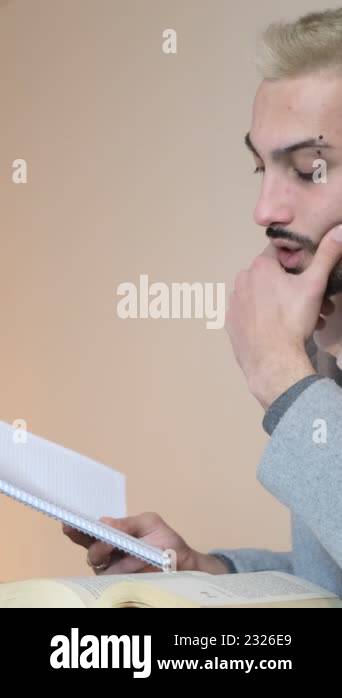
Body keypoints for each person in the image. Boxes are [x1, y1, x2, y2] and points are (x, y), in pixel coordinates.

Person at [64, 7, 342, 596]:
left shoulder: (302, 381)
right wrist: (205, 570)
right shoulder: (327, 357)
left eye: (308, 169)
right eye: (261, 166)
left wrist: (284, 385)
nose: (265, 210)